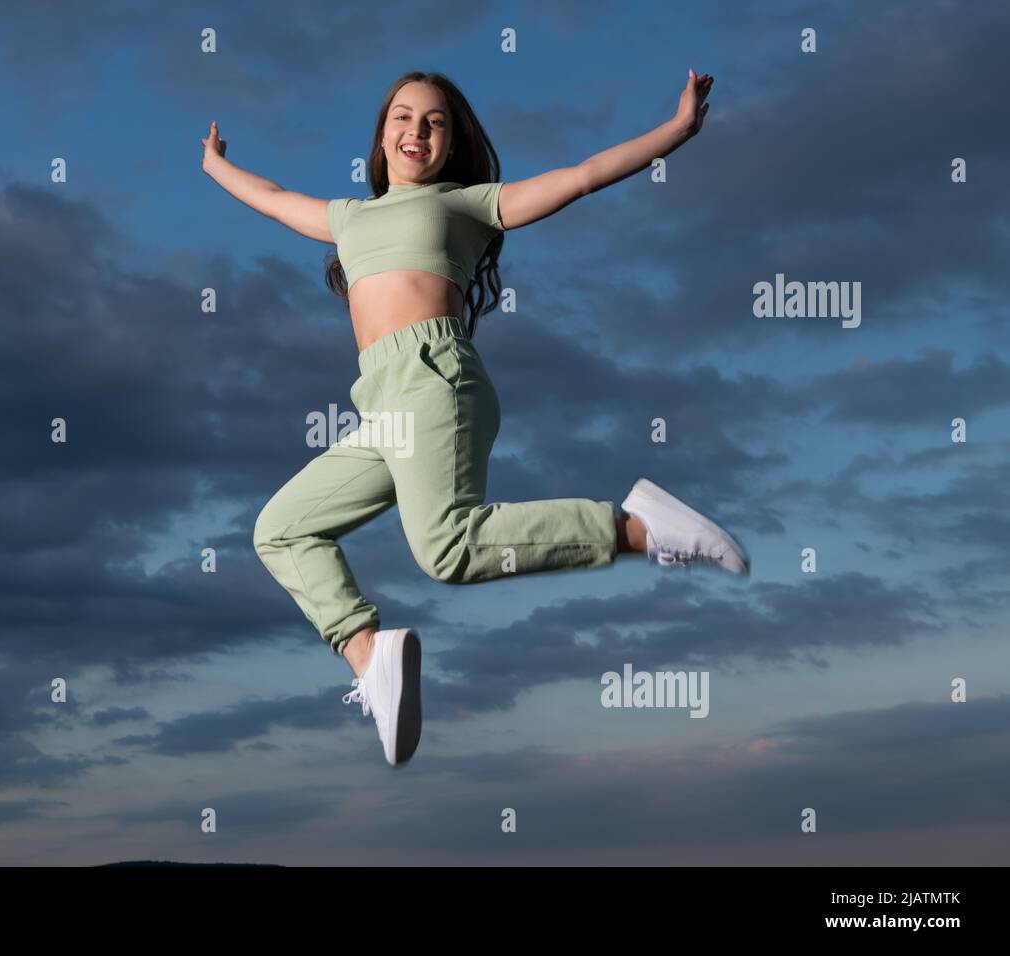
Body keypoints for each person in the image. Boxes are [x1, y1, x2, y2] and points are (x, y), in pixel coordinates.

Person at [200, 68, 745, 768]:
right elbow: (272, 199)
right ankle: (371, 659)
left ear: (451, 143)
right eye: (402, 117)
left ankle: (640, 529)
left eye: (434, 122)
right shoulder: (348, 218)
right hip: (382, 404)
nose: (416, 130)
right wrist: (215, 165)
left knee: (447, 550)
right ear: (381, 135)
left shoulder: (467, 205)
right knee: (281, 529)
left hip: (435, 380)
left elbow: (580, 176)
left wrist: (674, 131)